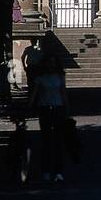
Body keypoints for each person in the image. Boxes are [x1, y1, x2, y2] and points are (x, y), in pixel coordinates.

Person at [27, 52, 70, 183]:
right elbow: (34, 94)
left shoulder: (60, 77)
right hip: (44, 109)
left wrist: (67, 109)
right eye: (49, 62)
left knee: (58, 141)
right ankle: (45, 171)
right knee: (46, 141)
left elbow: (63, 92)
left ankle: (58, 171)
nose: (51, 65)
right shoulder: (40, 78)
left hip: (58, 109)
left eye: (53, 62)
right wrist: (29, 108)